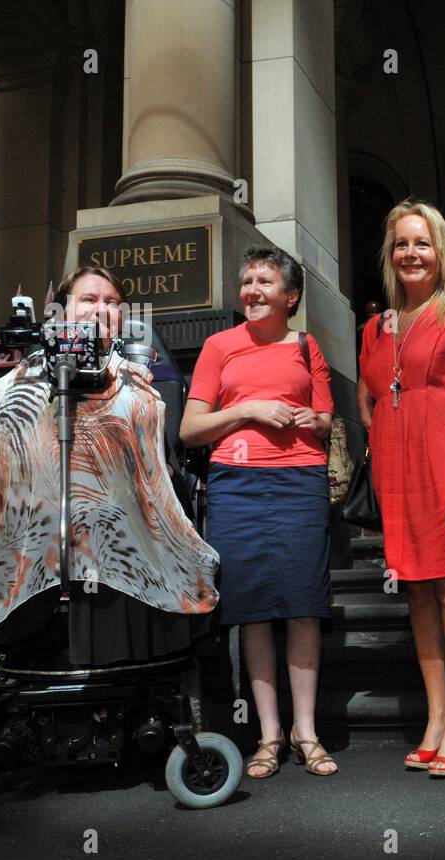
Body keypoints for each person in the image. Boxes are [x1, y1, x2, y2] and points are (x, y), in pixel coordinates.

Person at [0, 267, 218, 661]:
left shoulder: (140, 384)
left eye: (111, 303)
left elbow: (150, 471)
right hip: (34, 533)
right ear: (62, 312)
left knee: (99, 528)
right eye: (89, 300)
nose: (100, 309)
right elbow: (3, 464)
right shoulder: (15, 383)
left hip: (119, 532)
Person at [180, 247, 337, 779]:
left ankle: (306, 732)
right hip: (237, 485)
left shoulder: (307, 345)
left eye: (264, 281)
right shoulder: (218, 346)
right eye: (246, 280)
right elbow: (190, 429)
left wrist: (312, 419)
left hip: (299, 482)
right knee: (250, 608)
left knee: (302, 603)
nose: (251, 290)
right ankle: (268, 735)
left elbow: (325, 419)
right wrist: (249, 409)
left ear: (289, 296)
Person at [357, 199, 445, 778]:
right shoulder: (374, 326)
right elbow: (368, 403)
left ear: (442, 252)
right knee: (415, 592)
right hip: (399, 474)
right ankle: (436, 714)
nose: (411, 253)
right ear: (390, 256)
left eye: (423, 243)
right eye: (402, 244)